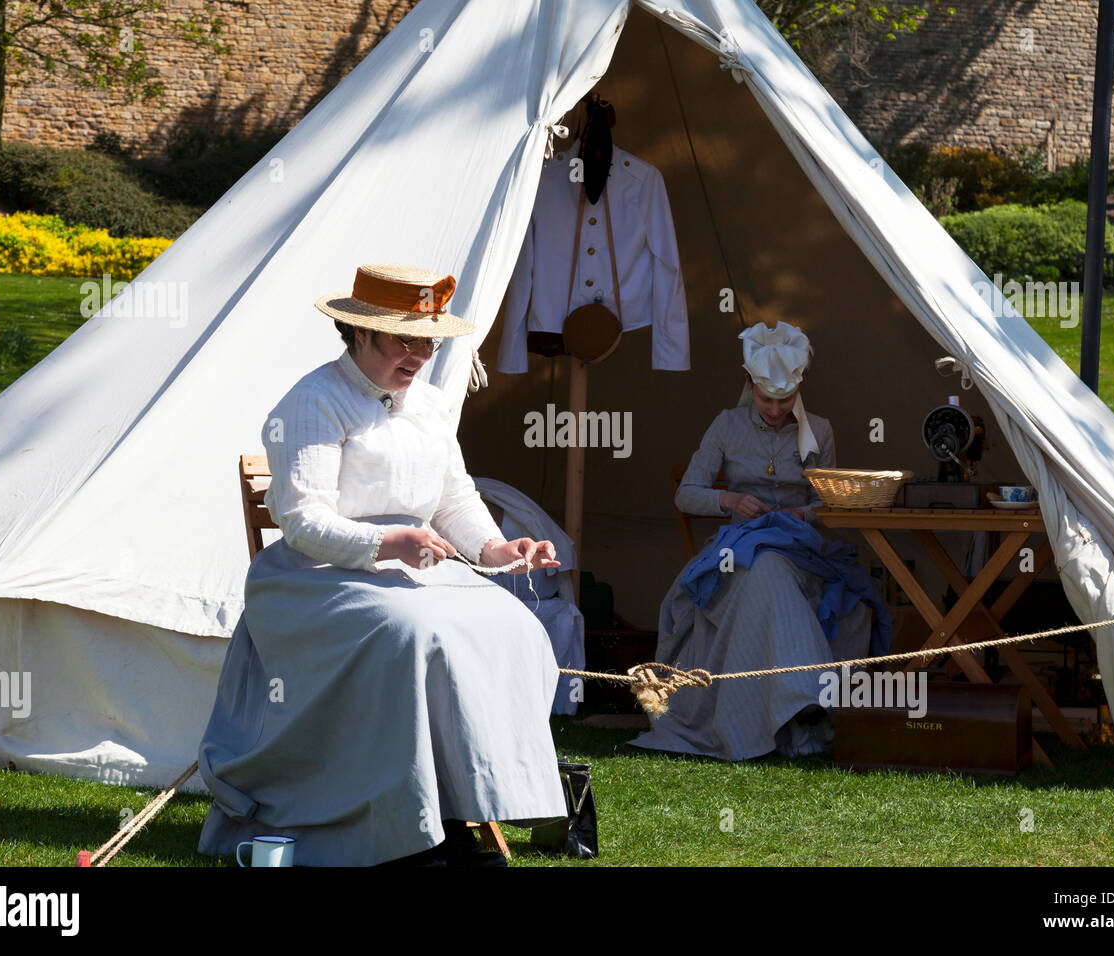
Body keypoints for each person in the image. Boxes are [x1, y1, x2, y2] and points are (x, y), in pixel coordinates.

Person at [197, 262, 568, 866]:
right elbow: (302, 519)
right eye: (405, 339)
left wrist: (499, 550)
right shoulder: (313, 402)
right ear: (359, 332)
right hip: (317, 579)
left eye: (429, 340)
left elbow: (454, 499)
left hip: (409, 573)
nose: (420, 354)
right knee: (414, 634)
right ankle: (404, 830)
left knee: (518, 626)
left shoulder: (430, 404)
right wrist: (387, 543)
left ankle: (459, 813)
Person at [627, 321, 881, 761]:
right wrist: (730, 500)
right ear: (749, 384)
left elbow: (829, 508)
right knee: (764, 570)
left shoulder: (819, 430)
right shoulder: (726, 426)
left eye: (785, 400)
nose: (776, 409)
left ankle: (800, 707)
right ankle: (804, 704)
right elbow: (686, 494)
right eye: (767, 399)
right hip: (737, 554)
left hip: (800, 551)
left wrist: (799, 514)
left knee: (820, 588)